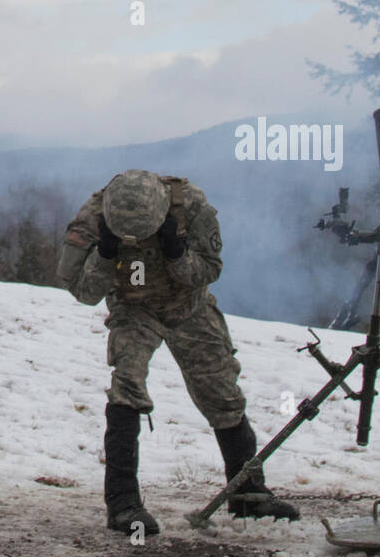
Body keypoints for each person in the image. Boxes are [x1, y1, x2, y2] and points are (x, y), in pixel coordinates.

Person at [57, 169, 299, 535]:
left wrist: (176, 252)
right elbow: (84, 291)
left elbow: (209, 270)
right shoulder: (93, 216)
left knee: (223, 395)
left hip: (190, 307)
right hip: (134, 309)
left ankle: (247, 493)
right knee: (128, 387)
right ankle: (123, 504)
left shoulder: (191, 207)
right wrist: (106, 252)